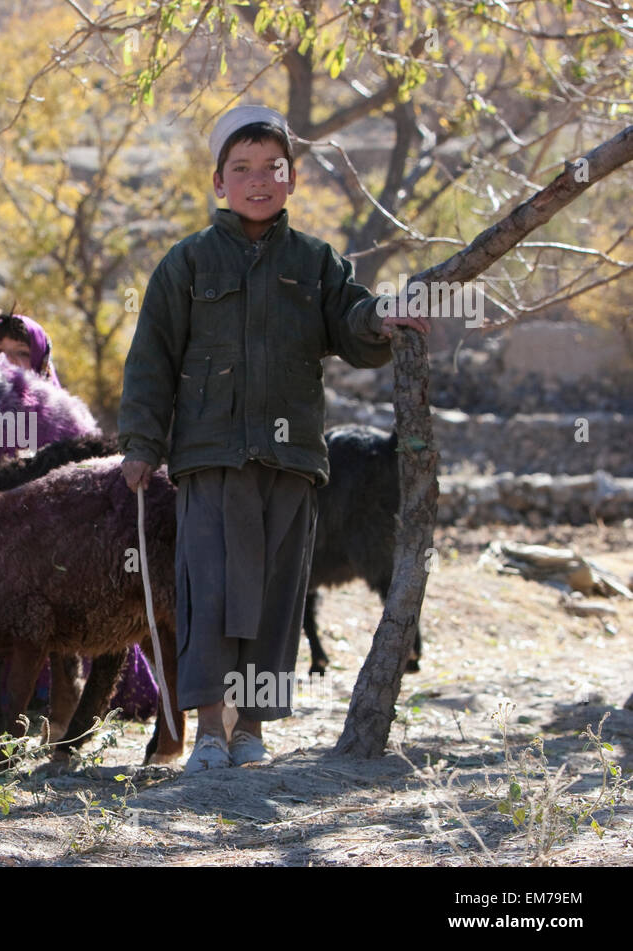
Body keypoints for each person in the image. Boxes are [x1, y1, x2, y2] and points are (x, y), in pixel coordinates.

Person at [117, 105, 430, 772]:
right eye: (242, 169)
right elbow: (150, 358)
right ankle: (207, 732)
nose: (258, 180)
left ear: (291, 180)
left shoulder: (316, 263)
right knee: (210, 592)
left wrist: (382, 316)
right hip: (210, 457)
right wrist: (141, 443)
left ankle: (252, 729)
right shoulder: (187, 264)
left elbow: (353, 326)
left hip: (291, 461)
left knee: (276, 597)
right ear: (218, 183)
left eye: (273, 169)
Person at [0, 307, 162, 724]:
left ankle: (63, 707)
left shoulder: (63, 420)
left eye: (20, 352)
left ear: (41, 360)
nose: (7, 361)